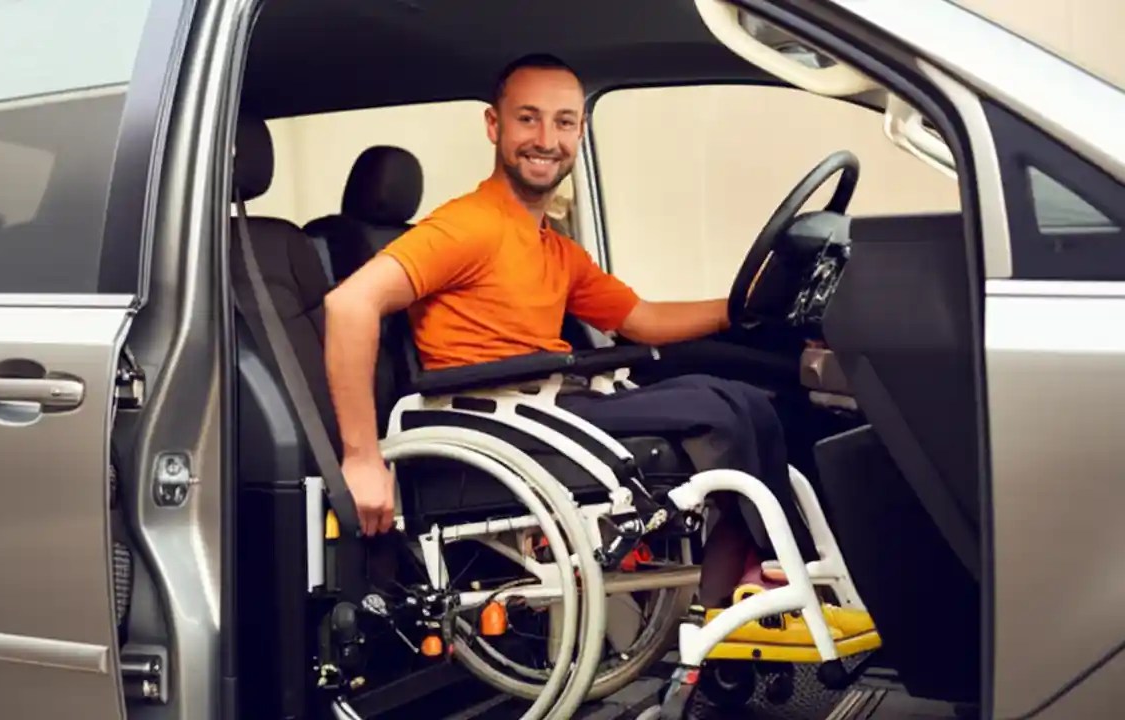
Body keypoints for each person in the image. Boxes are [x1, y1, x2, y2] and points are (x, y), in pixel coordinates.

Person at [322, 53, 812, 607]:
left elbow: (642, 319)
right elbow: (349, 305)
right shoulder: (466, 227)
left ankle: (751, 574)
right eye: (527, 118)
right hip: (494, 416)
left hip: (548, 403)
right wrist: (362, 458)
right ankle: (754, 579)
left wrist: (743, 304)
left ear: (579, 130)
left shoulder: (551, 245)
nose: (545, 139)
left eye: (563, 122)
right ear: (494, 125)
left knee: (752, 402)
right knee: (720, 407)